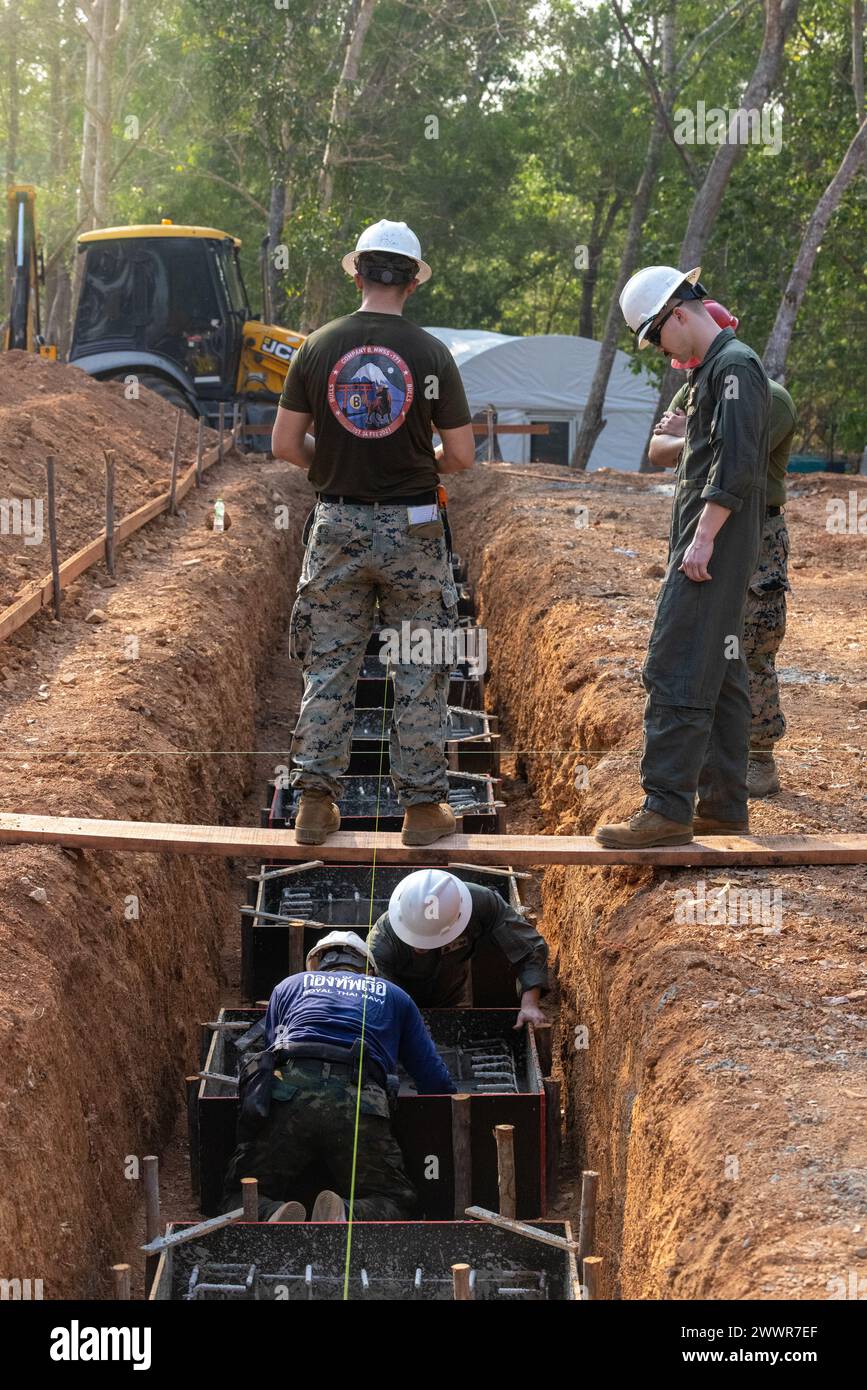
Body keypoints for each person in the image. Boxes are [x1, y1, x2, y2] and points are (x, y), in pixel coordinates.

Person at [272, 219, 476, 848]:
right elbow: (462, 456)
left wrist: (335, 465)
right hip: (415, 524)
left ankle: (313, 806)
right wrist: (419, 466)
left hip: (336, 523)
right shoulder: (432, 355)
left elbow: (284, 444)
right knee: (420, 665)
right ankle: (421, 812)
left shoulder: (316, 347)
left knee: (329, 665)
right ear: (412, 282)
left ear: (357, 272)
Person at [595, 265, 770, 848]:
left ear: (677, 315)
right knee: (721, 672)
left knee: (676, 661)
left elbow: (739, 464)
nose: (659, 349)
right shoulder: (716, 370)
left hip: (712, 550)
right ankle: (722, 806)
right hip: (712, 545)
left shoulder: (735, 366)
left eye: (656, 336)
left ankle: (667, 807)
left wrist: (702, 538)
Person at [648, 301, 796, 802]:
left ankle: (756, 758)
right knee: (725, 654)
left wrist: (689, 436)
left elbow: (733, 457)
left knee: (746, 648)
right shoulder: (702, 383)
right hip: (716, 526)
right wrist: (696, 436)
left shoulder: (756, 387)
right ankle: (722, 795)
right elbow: (660, 449)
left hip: (752, 533)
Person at [223, 930, 456, 1223]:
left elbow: (271, 1051)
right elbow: (434, 1079)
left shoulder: (288, 986)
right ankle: (344, 1213)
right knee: (395, 1199)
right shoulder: (394, 995)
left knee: (240, 1194)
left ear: (317, 963)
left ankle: (272, 1212)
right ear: (368, 968)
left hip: (287, 1093)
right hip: (359, 1099)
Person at [367, 869, 549, 1021]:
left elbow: (530, 946)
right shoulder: (380, 945)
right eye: (415, 939)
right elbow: (376, 1005)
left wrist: (530, 1004)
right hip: (403, 1004)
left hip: (454, 994)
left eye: (427, 941)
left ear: (457, 921)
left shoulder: (480, 903)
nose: (420, 948)